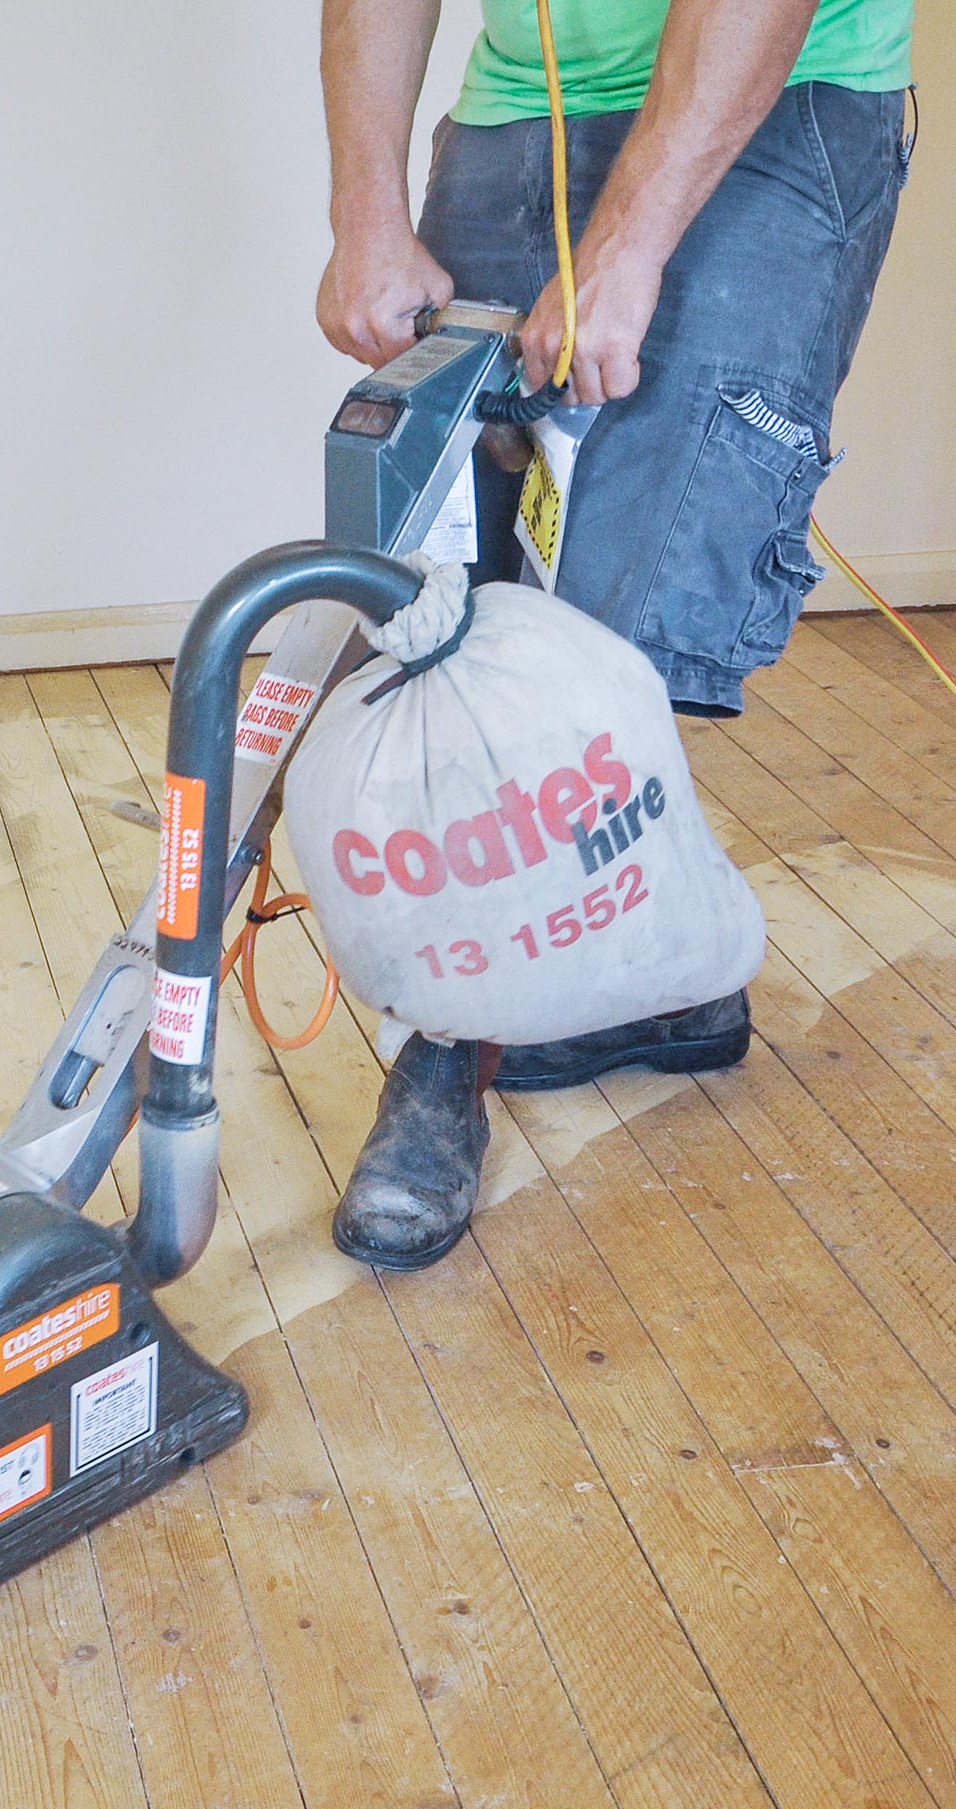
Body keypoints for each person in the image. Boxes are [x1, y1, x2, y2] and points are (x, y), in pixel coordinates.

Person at [316, 0, 915, 1270]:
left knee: (618, 603)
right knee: (435, 590)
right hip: (522, 103)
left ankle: (447, 1054)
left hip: (779, 92)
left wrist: (628, 245)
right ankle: (653, 977)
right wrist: (363, 209)